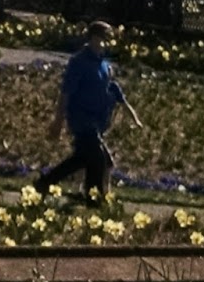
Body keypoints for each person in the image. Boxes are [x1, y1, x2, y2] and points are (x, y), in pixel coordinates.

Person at [37, 20, 142, 200]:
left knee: (82, 158)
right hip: (81, 118)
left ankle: (45, 182)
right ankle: (94, 197)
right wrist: (58, 121)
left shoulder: (102, 63)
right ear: (94, 38)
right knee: (98, 158)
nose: (108, 43)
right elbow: (66, 92)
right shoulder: (79, 62)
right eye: (105, 38)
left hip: (96, 121)